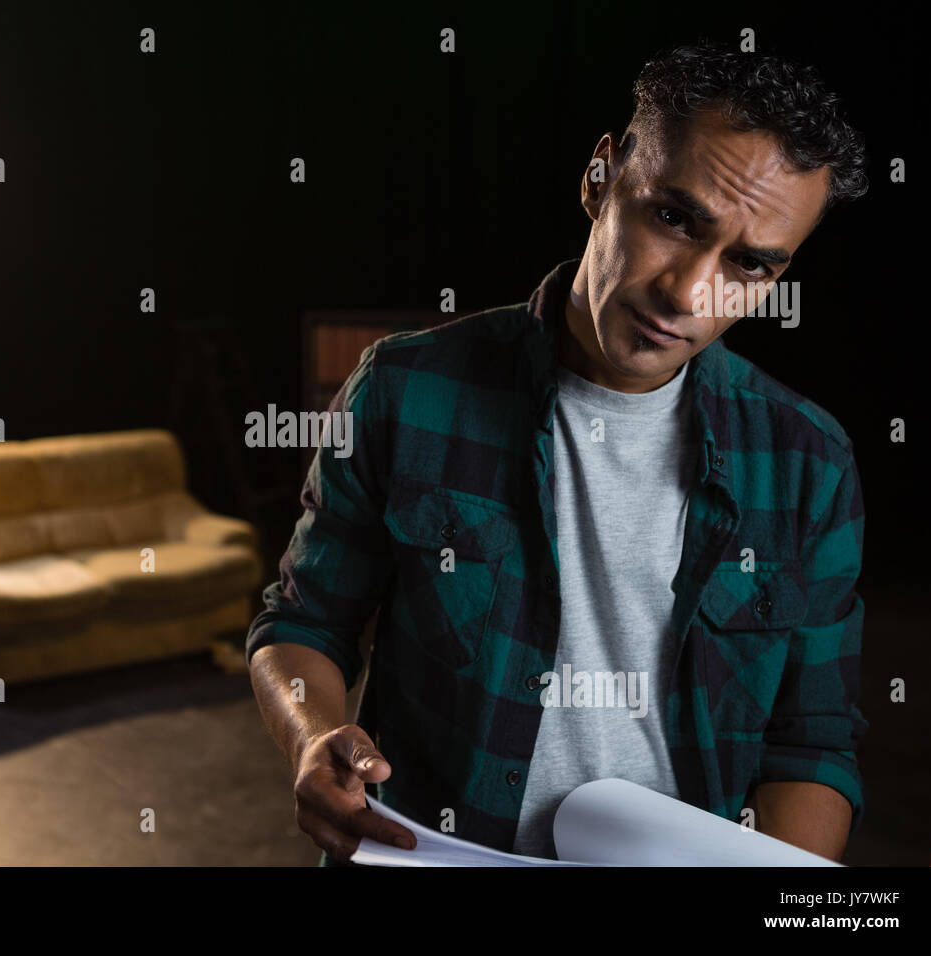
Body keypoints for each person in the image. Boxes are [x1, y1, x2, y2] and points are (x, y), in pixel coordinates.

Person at [246, 40, 869, 865]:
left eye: (749, 265)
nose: (688, 293)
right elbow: (303, 621)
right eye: (675, 218)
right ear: (601, 178)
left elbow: (812, 741)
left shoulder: (807, 462)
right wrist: (314, 738)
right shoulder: (407, 389)